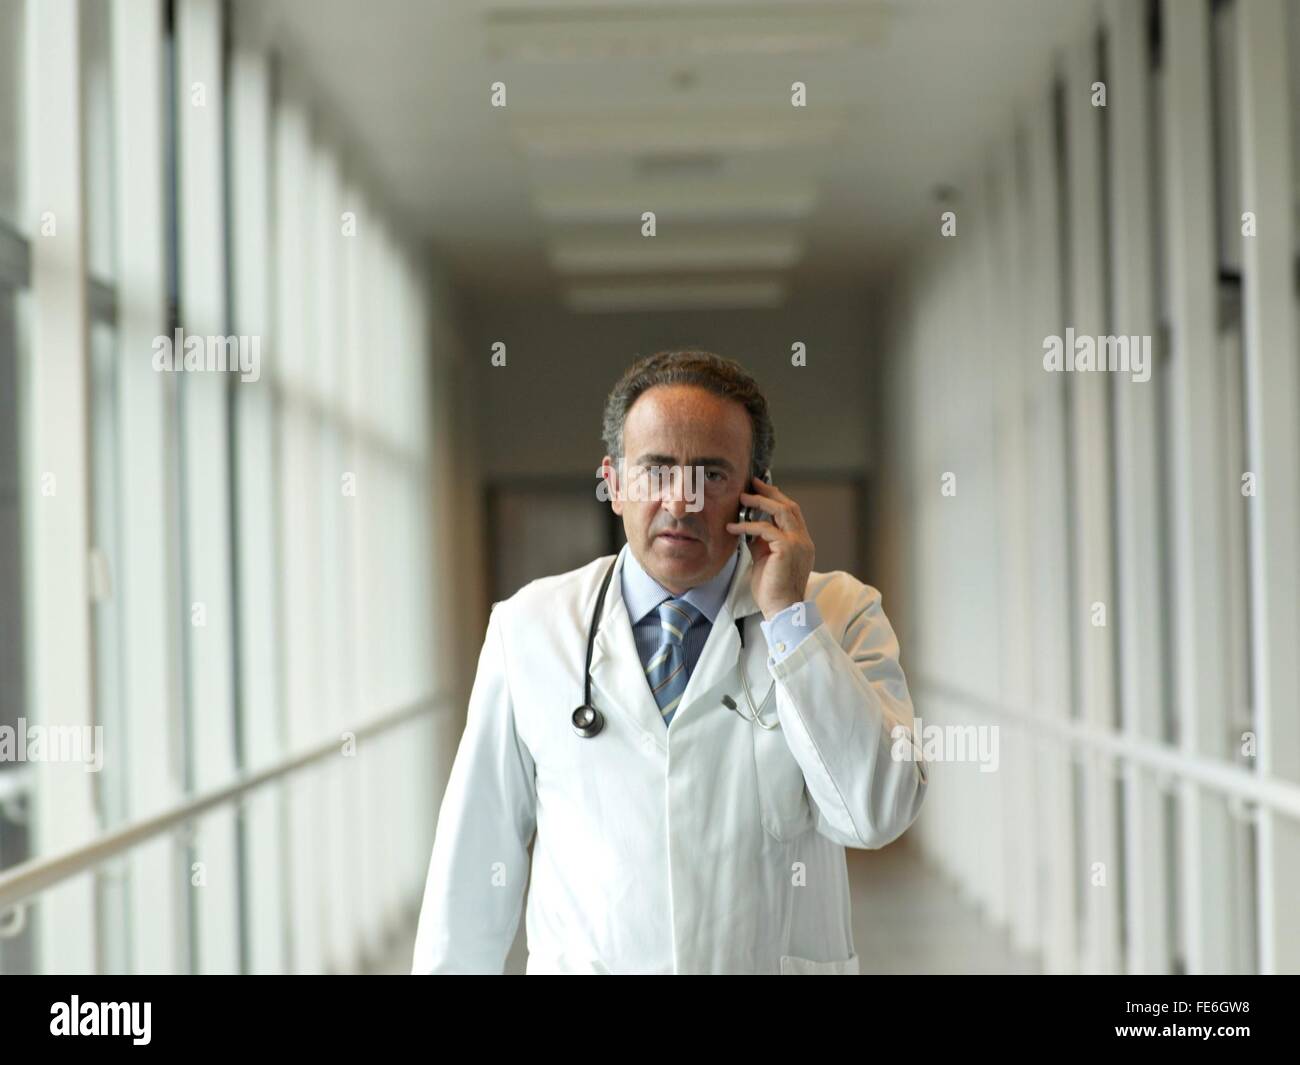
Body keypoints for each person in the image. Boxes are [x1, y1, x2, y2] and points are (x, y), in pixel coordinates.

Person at [411, 349, 927, 974]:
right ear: (616, 482)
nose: (680, 505)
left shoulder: (838, 612)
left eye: (711, 475)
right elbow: (473, 866)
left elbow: (876, 814)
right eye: (656, 471)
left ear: (755, 492)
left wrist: (791, 621)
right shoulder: (529, 629)